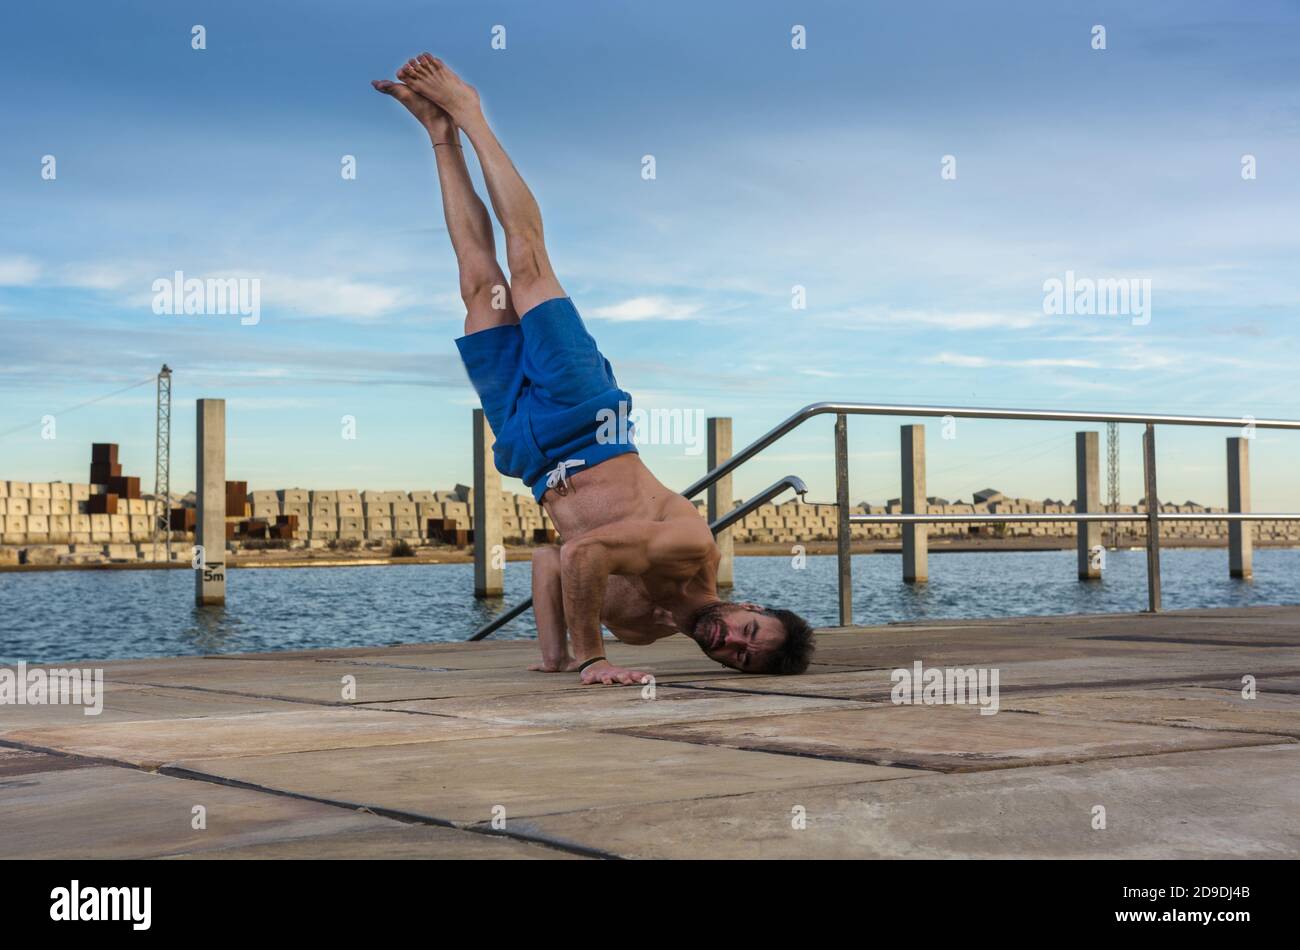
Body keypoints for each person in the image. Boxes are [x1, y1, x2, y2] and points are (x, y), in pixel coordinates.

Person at [374, 55, 815, 685]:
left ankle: (439, 135)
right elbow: (586, 548)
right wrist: (593, 659)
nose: (732, 641)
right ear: (751, 605)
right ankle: (470, 112)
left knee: (479, 287)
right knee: (525, 265)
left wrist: (555, 653)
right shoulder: (691, 550)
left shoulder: (643, 627)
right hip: (586, 417)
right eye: (749, 630)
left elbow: (551, 558)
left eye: (742, 656)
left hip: (532, 452)